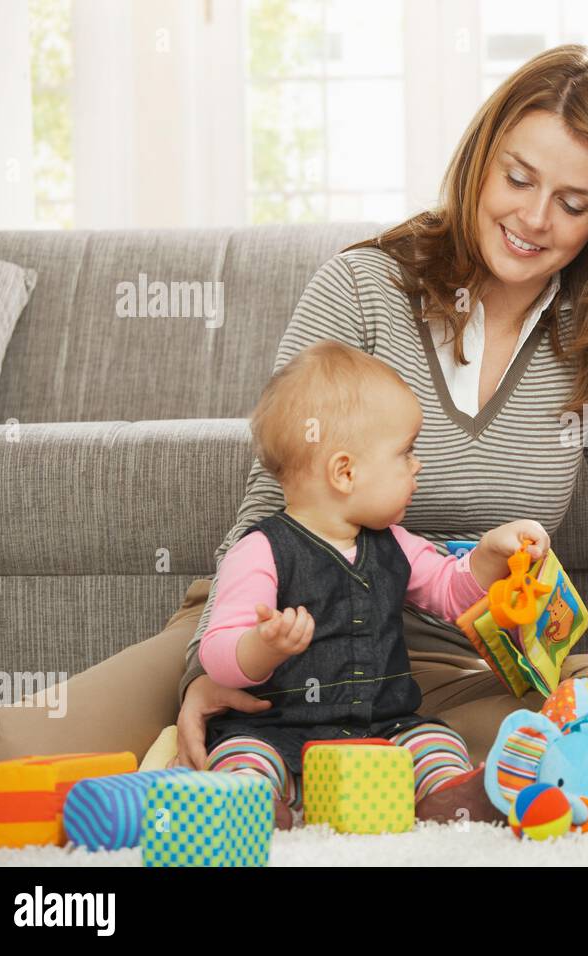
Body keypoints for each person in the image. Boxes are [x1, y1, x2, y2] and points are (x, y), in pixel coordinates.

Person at [0, 46, 588, 804]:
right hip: (282, 627)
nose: (533, 219)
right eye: (517, 178)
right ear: (481, 161)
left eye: (574, 203)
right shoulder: (364, 286)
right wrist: (212, 673)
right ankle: (329, 751)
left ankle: (340, 756)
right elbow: (265, 507)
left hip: (447, 666)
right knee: (8, 753)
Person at [200, 340, 554, 827]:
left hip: (383, 728)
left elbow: (451, 593)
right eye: (406, 453)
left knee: (436, 741)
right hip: (276, 725)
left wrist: (490, 554)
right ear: (345, 472)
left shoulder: (396, 543)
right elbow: (218, 654)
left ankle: (446, 794)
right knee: (241, 754)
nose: (417, 465)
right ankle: (253, 802)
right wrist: (264, 646)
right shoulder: (260, 550)